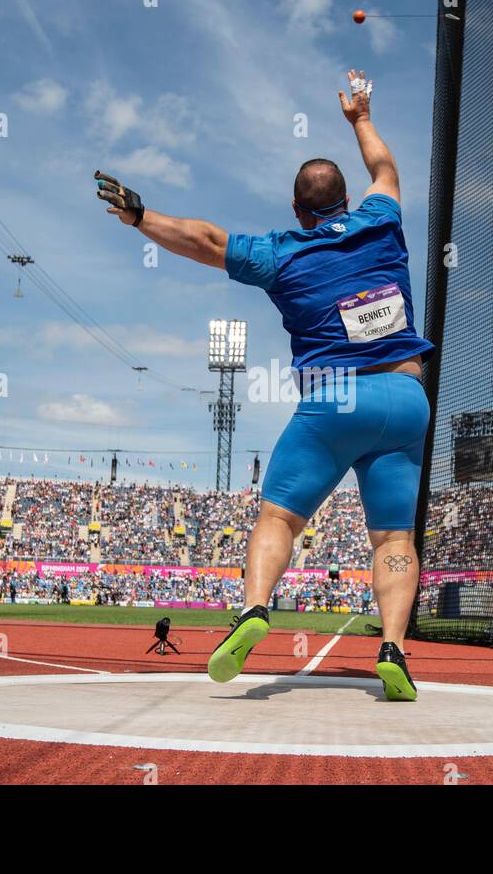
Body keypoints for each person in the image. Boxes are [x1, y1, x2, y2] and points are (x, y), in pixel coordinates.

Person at [95, 71, 430, 701]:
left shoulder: (283, 251)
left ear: (298, 209)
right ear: (345, 199)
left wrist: (140, 216)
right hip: (407, 398)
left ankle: (253, 613)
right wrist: (359, 117)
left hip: (335, 400)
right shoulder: (383, 220)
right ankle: (393, 649)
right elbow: (385, 167)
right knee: (393, 538)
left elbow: (206, 240)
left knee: (279, 515)